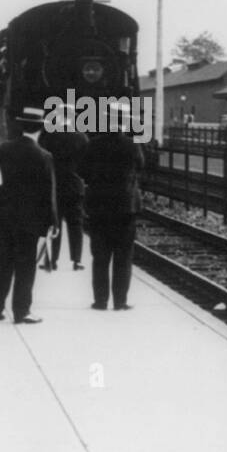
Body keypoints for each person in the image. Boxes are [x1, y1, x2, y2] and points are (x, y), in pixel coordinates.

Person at [0, 107, 57, 324]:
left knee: (3, 263)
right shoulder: (44, 156)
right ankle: (21, 311)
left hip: (6, 216)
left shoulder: (5, 149)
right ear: (40, 129)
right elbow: (49, 192)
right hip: (31, 220)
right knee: (26, 266)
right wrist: (52, 222)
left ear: (22, 126)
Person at [78, 102, 144, 311]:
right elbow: (142, 166)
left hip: (99, 207)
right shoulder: (132, 145)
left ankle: (100, 301)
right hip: (125, 208)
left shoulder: (92, 144)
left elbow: (82, 171)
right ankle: (120, 301)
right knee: (123, 257)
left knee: (100, 256)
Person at [40, 103, 89, 271]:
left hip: (55, 187)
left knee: (54, 224)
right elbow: (86, 162)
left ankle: (52, 260)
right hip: (75, 187)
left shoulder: (49, 137)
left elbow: (44, 161)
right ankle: (77, 260)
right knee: (76, 224)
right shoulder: (81, 137)